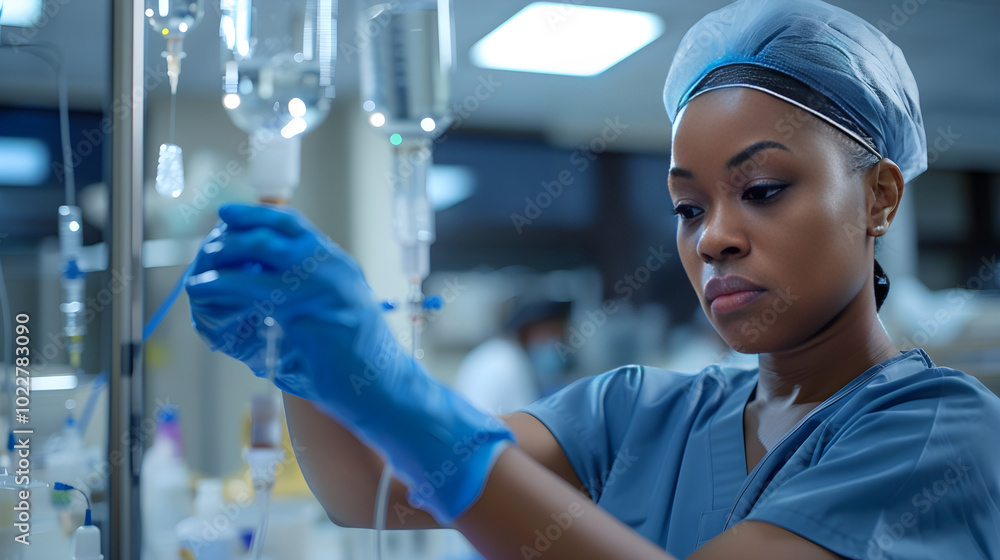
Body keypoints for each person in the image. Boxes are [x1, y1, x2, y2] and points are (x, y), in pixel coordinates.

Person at [185, 0, 1000, 558]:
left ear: (879, 198)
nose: (714, 237)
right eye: (687, 208)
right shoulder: (639, 412)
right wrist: (309, 364)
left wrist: (399, 393)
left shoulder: (944, 435)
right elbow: (378, 492)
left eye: (761, 191)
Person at [454, 298, 574, 415]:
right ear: (533, 329)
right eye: (554, 335)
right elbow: (527, 425)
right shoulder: (510, 364)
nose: (556, 344)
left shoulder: (496, 353)